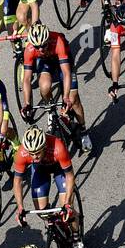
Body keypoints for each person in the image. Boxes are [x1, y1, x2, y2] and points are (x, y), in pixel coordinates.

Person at [12, 126, 86, 248]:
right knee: (41, 211)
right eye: (31, 153)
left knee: (67, 208)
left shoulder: (57, 146)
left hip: (59, 168)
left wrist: (67, 204)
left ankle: (76, 238)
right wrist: (20, 207)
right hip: (40, 170)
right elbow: (17, 182)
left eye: (37, 153)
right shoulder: (22, 153)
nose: (34, 157)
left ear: (44, 146)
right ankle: (55, 224)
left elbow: (70, 176)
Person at [21, 23, 93, 152]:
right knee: (44, 86)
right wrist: (27, 103)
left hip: (62, 59)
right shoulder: (30, 49)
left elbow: (66, 73)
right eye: (37, 46)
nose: (41, 49)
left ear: (48, 39)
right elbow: (26, 79)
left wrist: (65, 97)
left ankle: (83, 130)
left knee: (74, 98)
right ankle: (50, 109)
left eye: (43, 45)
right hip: (45, 63)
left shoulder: (58, 41)